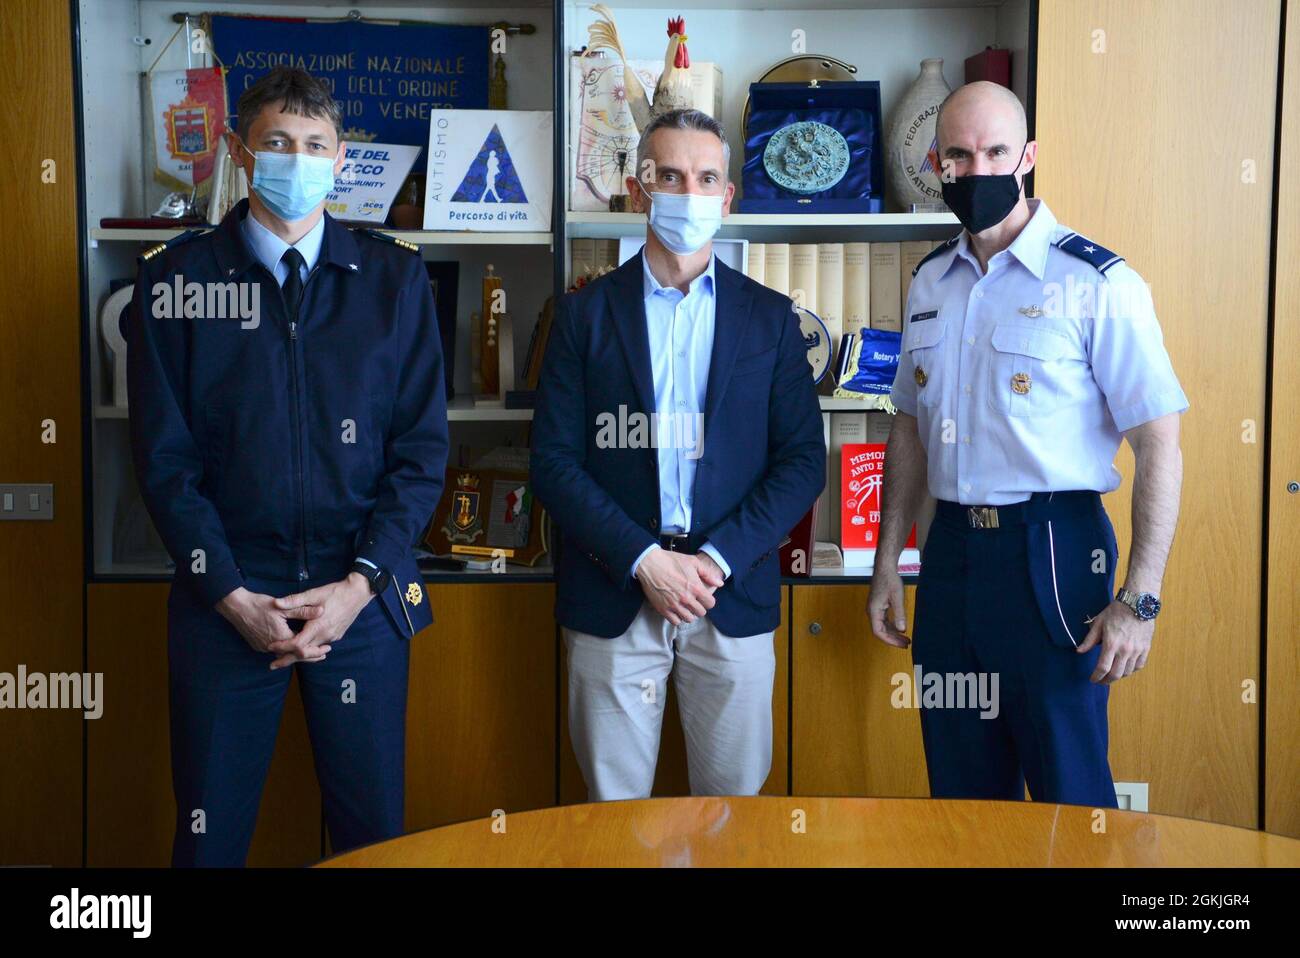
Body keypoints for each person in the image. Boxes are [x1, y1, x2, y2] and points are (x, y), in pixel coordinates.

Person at [126, 66, 448, 865]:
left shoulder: (395, 279)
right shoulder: (176, 279)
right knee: (209, 839)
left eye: (314, 145)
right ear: (239, 150)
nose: (295, 160)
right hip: (227, 598)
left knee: (374, 839)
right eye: (276, 142)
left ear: (341, 160)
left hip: (361, 598)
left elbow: (420, 452)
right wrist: (232, 596)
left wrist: (360, 584)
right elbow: (165, 462)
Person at [868, 81, 1188, 807]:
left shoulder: (1097, 283)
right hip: (948, 557)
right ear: (937, 162)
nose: (977, 170)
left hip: (1054, 552)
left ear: (1028, 157)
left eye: (995, 152)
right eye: (959, 155)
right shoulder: (928, 282)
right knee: (960, 790)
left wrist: (1140, 600)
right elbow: (910, 429)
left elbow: (1159, 443)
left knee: (1070, 792)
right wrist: (889, 561)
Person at [531, 109, 825, 801]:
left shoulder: (770, 319)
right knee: (612, 819)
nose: (687, 193)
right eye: (669, 176)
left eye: (705, 178)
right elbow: (554, 462)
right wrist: (645, 560)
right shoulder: (582, 317)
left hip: (731, 593)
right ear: (640, 190)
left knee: (733, 820)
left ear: (726, 197)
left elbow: (803, 461)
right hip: (614, 590)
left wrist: (713, 562)